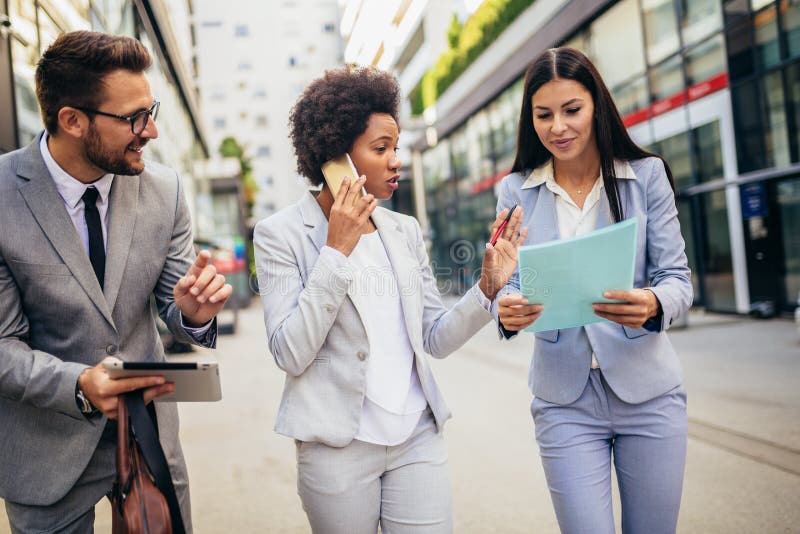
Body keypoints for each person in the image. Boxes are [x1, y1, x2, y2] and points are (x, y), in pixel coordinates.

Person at [254, 65, 526, 533]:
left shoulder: (404, 230)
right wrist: (336, 250)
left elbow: (435, 338)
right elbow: (290, 352)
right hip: (338, 449)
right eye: (381, 149)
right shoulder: (280, 235)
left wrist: (486, 288)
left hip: (416, 436)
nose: (396, 159)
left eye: (395, 146)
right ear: (335, 155)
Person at [0, 30, 232, 533]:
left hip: (148, 436)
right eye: (133, 118)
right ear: (72, 120)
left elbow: (177, 306)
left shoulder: (165, 190)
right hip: (45, 449)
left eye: (151, 113)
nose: (149, 132)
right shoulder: (2, 197)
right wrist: (79, 385)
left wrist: (193, 314)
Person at [493, 47, 692, 534]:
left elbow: (677, 280)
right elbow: (508, 280)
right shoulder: (516, 190)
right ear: (530, 119)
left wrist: (652, 303)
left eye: (571, 110)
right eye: (544, 115)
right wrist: (507, 308)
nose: (558, 126)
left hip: (648, 395)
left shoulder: (645, 178)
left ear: (597, 106)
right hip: (565, 401)